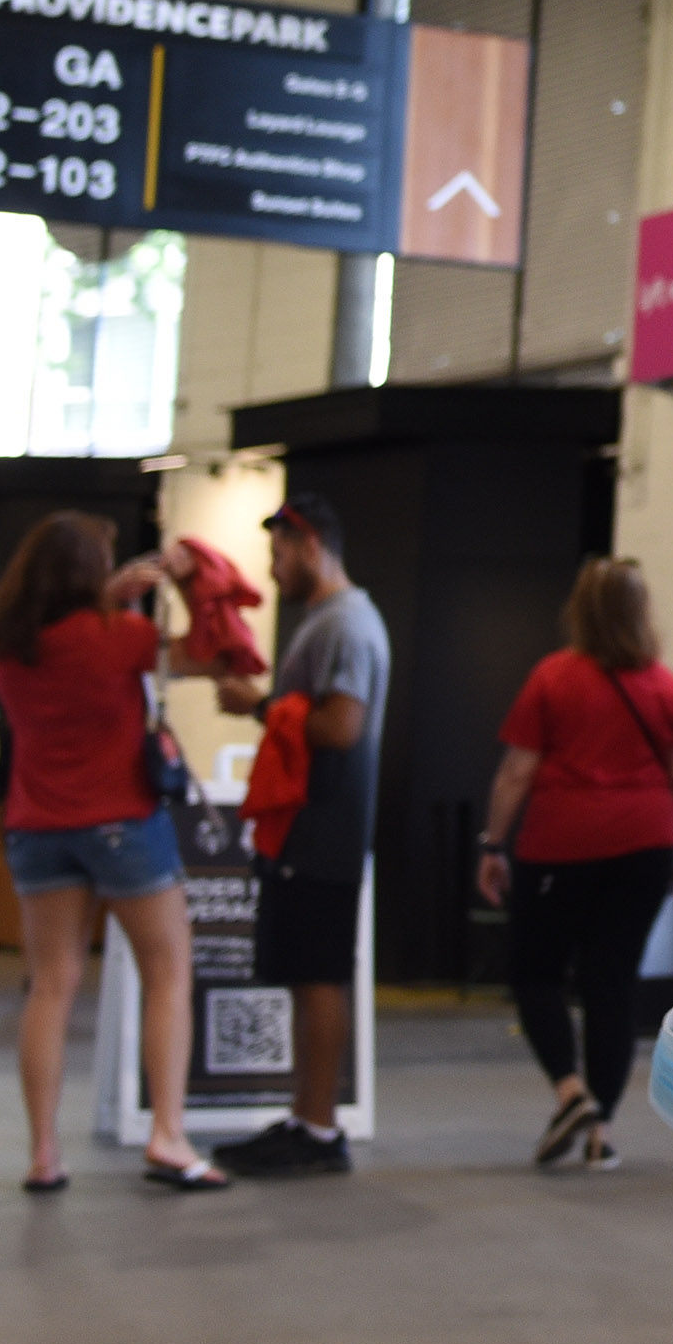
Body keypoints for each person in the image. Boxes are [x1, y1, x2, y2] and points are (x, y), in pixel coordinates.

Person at [0, 512, 221, 1192]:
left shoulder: (4, 646)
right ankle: (168, 1136)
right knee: (168, 973)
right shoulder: (122, 635)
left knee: (51, 986)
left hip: (35, 826)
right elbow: (204, 657)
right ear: (93, 573)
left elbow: (62, 645)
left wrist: (107, 597)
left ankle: (43, 1154)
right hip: (122, 821)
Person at [473, 557, 673, 1173]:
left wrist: (493, 845)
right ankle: (600, 1125)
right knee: (612, 983)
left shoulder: (552, 678)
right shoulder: (666, 686)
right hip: (645, 848)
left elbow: (517, 770)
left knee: (536, 974)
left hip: (560, 850)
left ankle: (571, 1093)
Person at [210, 495, 393, 1179]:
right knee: (305, 974)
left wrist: (257, 705)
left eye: (279, 551)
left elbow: (341, 726)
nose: (273, 565)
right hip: (308, 830)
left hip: (324, 828)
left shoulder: (345, 625)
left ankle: (318, 1129)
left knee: (317, 975)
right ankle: (305, 1114)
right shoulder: (330, 621)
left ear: (310, 544)